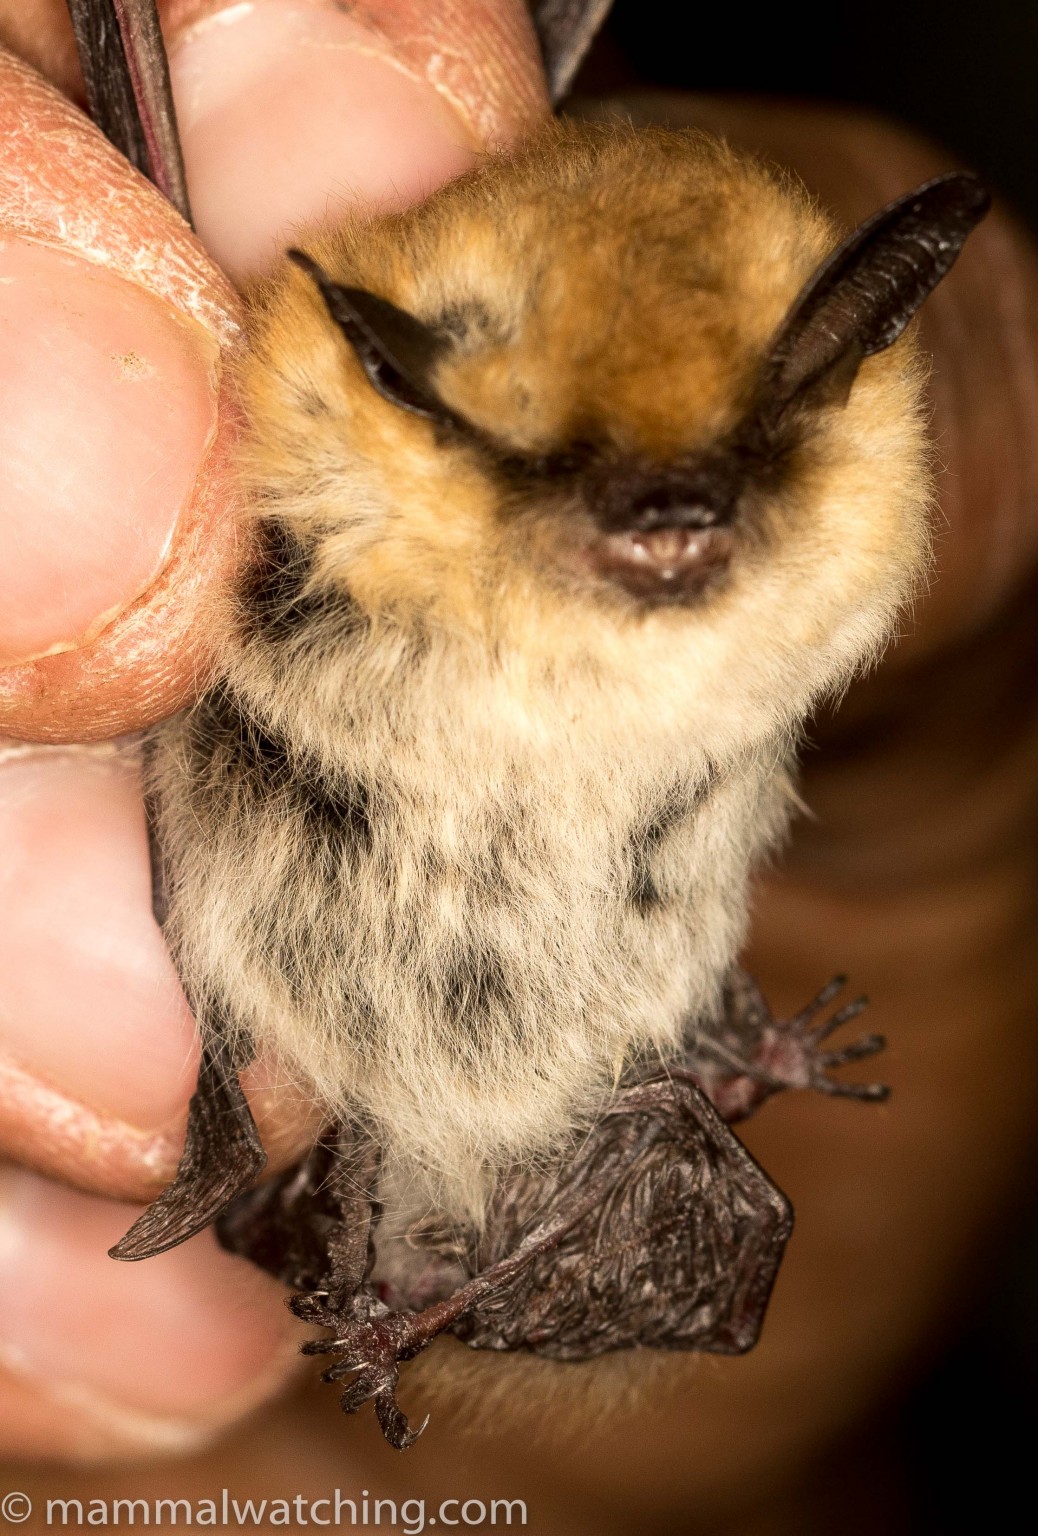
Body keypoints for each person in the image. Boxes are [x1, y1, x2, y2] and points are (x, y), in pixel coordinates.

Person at [2, 2, 1038, 1528]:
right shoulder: (327, 454)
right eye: (587, 471)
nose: (675, 535)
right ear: (405, 391)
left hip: (524, 1040)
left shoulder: (844, 503)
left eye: (723, 471)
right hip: (324, 924)